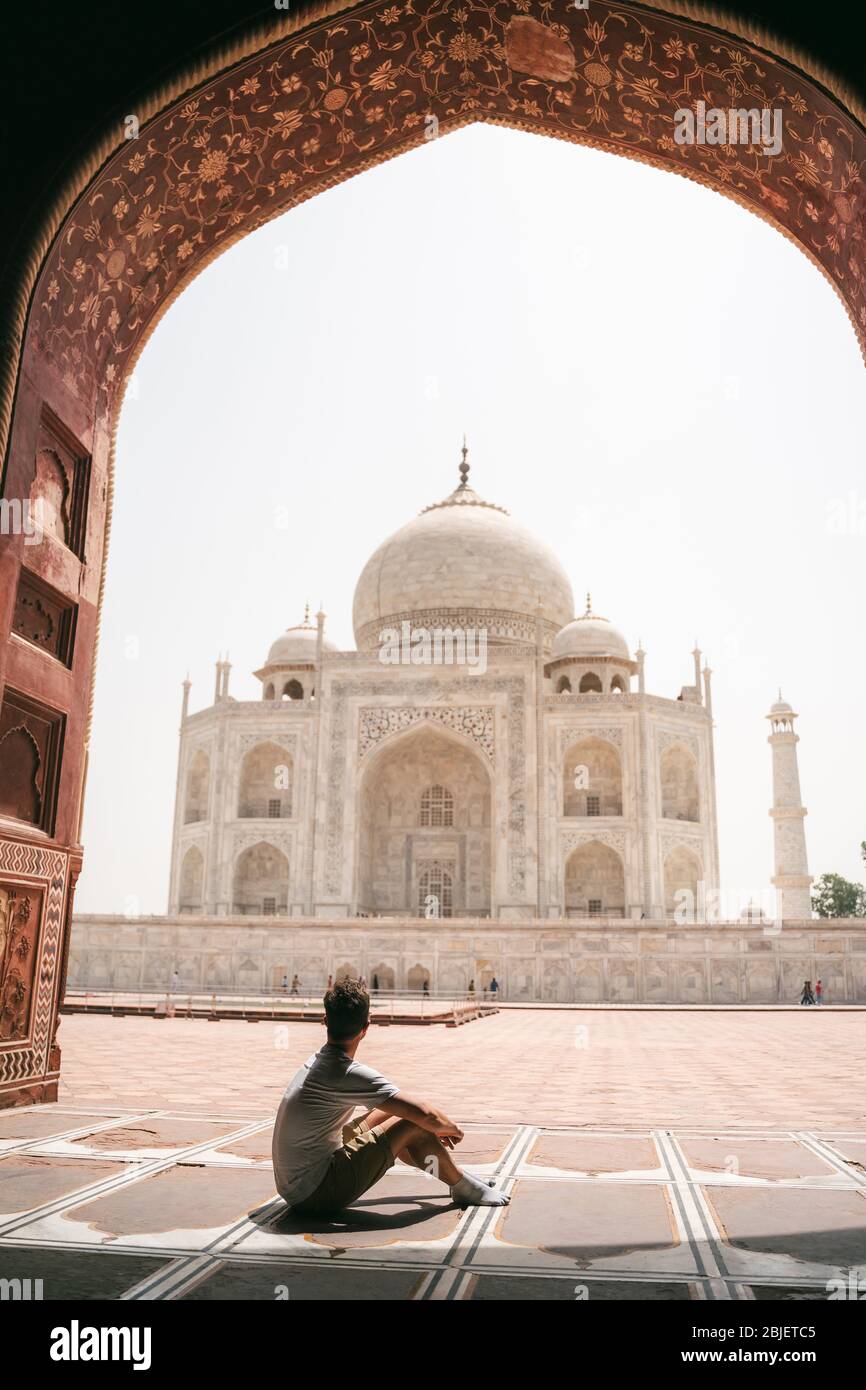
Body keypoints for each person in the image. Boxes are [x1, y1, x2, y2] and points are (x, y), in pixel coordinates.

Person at [272, 978, 509, 1214]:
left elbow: (410, 1110)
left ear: (325, 1021)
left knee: (395, 1113)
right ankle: (461, 1186)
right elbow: (424, 1114)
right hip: (314, 1193)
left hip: (297, 1183)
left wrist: (433, 1123)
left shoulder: (319, 1062)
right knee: (414, 1123)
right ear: (366, 1027)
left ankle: (456, 1175)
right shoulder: (342, 1071)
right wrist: (452, 1129)